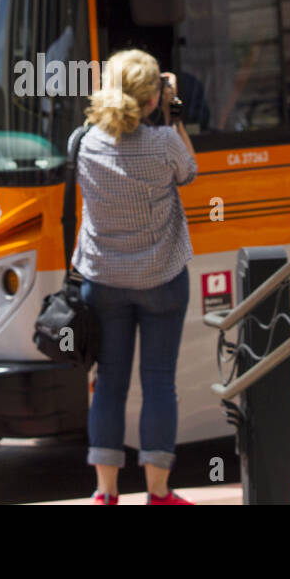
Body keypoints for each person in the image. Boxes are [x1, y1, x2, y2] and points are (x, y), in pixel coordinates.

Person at [72, 49, 198, 504]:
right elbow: (191, 171)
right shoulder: (165, 142)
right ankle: (159, 493)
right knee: (159, 381)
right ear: (152, 99)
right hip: (162, 280)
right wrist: (174, 111)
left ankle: (105, 493)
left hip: (104, 281)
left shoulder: (85, 142)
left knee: (108, 382)